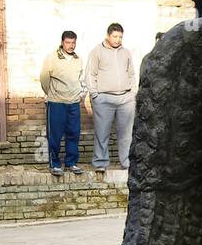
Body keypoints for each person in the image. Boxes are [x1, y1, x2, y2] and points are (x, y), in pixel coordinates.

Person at [86, 22, 137, 173]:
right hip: (104, 99)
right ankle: (100, 162)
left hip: (125, 99)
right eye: (115, 36)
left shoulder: (126, 52)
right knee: (102, 132)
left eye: (120, 37)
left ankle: (126, 162)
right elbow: (90, 74)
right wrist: (95, 94)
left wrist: (132, 93)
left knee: (126, 134)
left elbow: (131, 73)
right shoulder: (97, 51)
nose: (117, 40)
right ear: (108, 36)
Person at [40, 30, 86, 176]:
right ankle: (55, 164)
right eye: (68, 42)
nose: (71, 45)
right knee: (55, 135)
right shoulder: (52, 58)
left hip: (73, 103)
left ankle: (71, 163)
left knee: (73, 133)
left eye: (73, 43)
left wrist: (80, 94)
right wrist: (51, 94)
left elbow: (81, 79)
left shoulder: (78, 59)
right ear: (62, 42)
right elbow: (44, 78)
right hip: (57, 103)